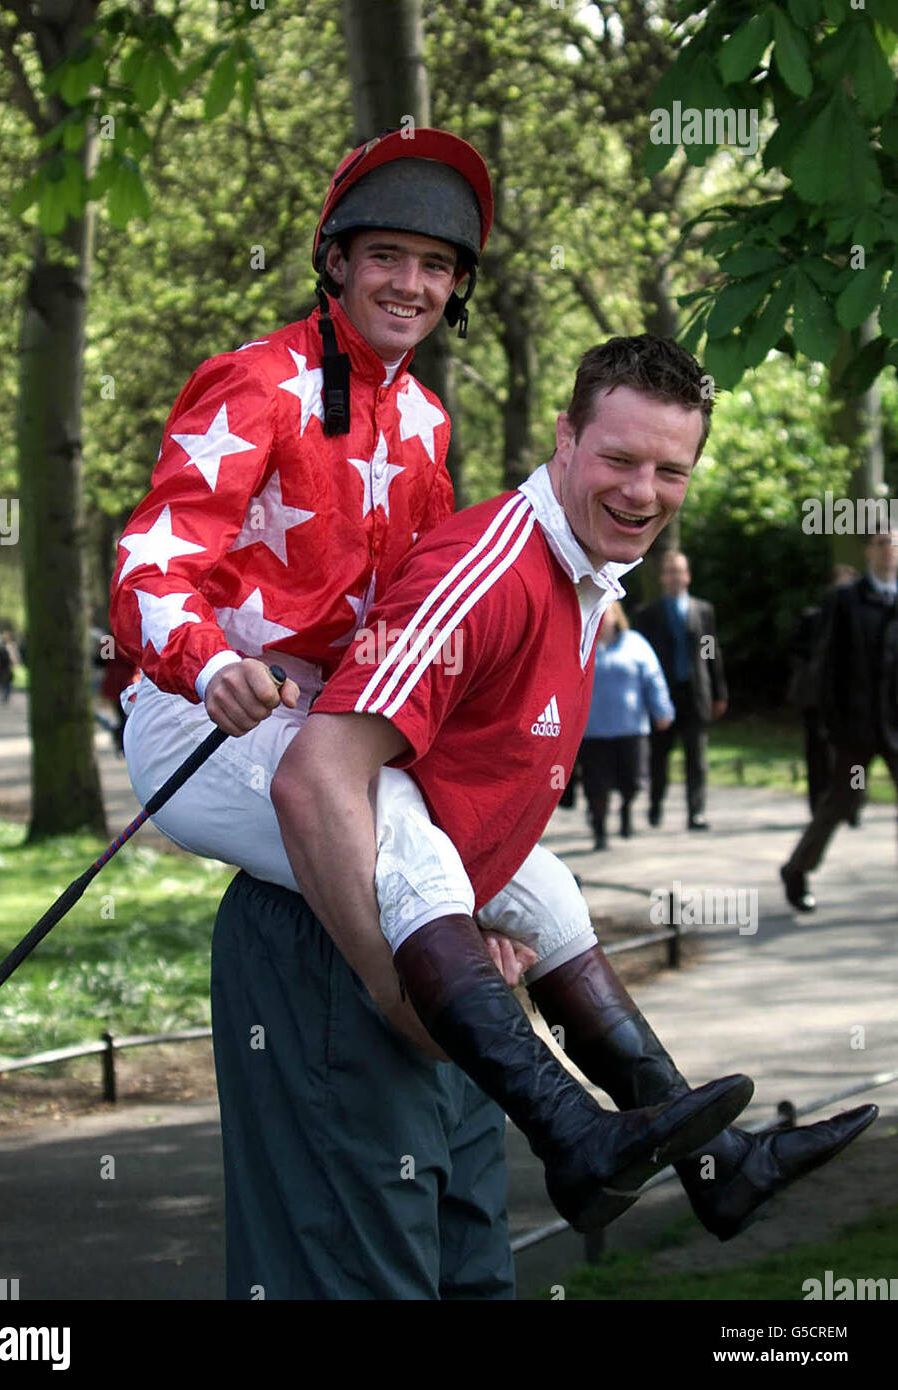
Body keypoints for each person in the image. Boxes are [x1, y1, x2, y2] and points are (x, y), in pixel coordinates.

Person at [237, 336, 872, 1299]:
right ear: (565, 439)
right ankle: (587, 1138)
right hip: (350, 943)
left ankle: (712, 1162)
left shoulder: (582, 574)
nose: (644, 492)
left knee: (471, 1276)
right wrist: (391, 986)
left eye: (672, 471)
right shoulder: (490, 569)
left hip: (460, 969)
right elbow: (317, 778)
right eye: (619, 459)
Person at [109, 127, 494, 897]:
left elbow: (420, 607)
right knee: (426, 881)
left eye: (435, 266)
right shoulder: (254, 381)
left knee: (528, 891)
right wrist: (212, 665)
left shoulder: (427, 419)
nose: (410, 285)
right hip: (203, 717)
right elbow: (148, 562)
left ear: (456, 287)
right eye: (386, 256)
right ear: (337, 262)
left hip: (335, 733)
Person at [781, 529, 898, 913]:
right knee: (842, 801)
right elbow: (827, 666)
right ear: (868, 551)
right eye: (882, 543)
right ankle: (797, 869)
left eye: (895, 543)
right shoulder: (846, 601)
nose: (889, 551)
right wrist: (831, 724)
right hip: (857, 729)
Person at [634, 551, 727, 830]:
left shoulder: (702, 610)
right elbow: (642, 658)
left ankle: (696, 812)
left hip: (695, 692)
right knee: (659, 756)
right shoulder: (647, 614)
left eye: (680, 571)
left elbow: (711, 651)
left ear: (687, 575)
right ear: (663, 578)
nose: (675, 576)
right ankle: (655, 805)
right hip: (663, 695)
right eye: (670, 571)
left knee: (696, 757)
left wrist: (719, 692)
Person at [576, 601, 673, 850]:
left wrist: (661, 710)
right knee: (596, 785)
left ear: (616, 615)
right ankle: (599, 829)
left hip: (630, 729)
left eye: (605, 611)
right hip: (592, 730)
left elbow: (653, 678)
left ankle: (627, 810)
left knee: (631, 782)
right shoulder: (580, 640)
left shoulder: (635, 643)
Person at [788, 565, 859, 818]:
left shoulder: (860, 620)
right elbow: (797, 652)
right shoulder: (812, 617)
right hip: (817, 698)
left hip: (853, 699)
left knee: (852, 757)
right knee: (817, 753)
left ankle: (852, 804)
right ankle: (818, 803)